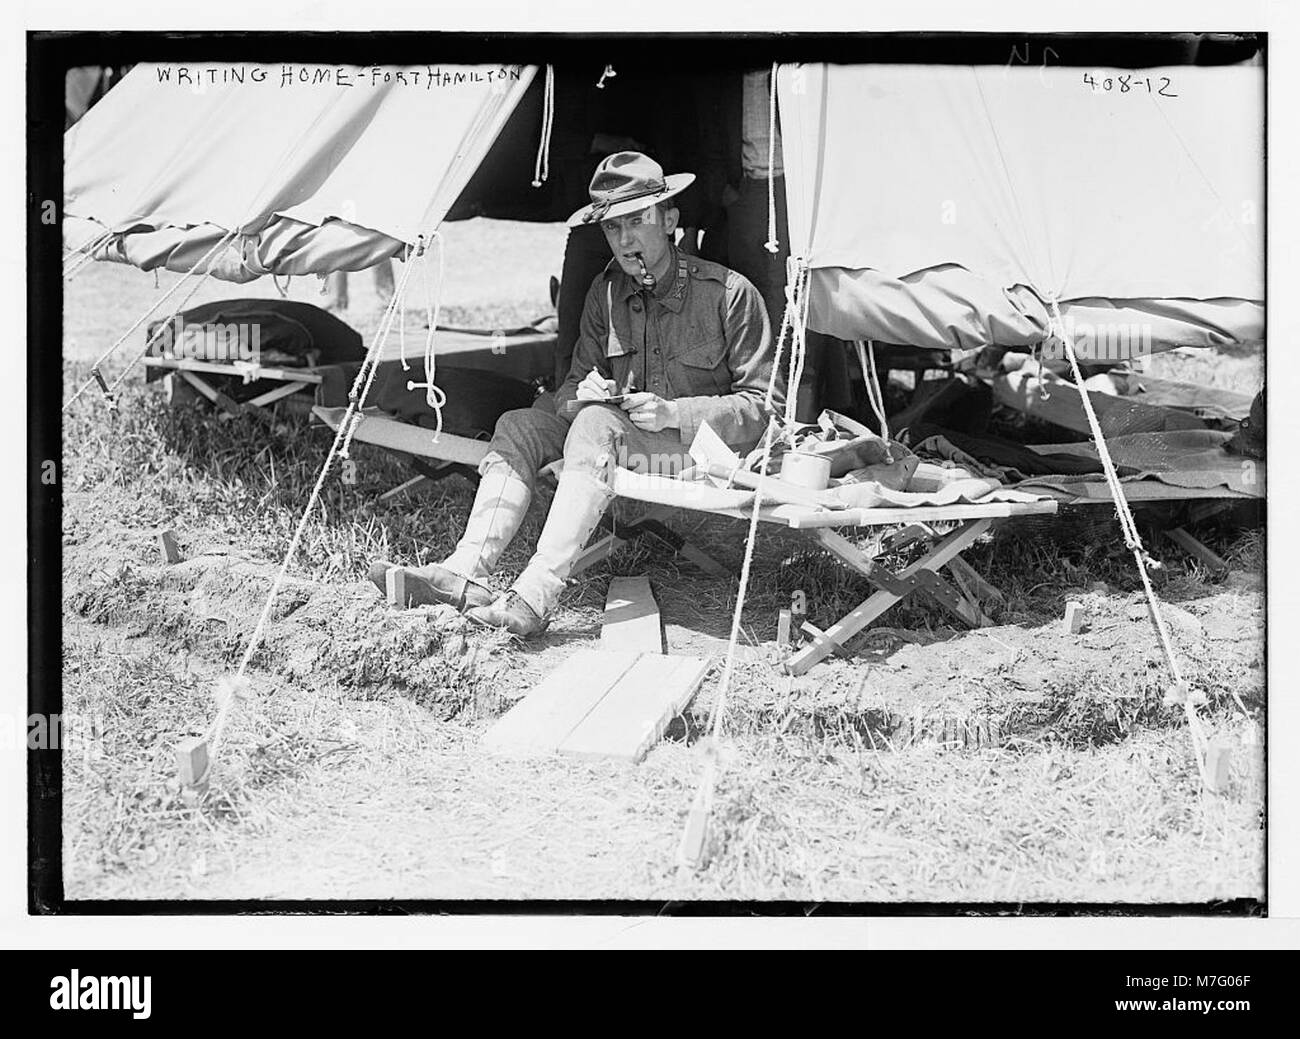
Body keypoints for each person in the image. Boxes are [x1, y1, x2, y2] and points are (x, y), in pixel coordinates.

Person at [369, 152, 781, 636]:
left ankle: (535, 595)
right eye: (611, 229)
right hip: (616, 446)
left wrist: (673, 412)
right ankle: (465, 574)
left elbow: (761, 408)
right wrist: (580, 394)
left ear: (670, 220)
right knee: (519, 425)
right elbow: (573, 388)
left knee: (595, 425)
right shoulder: (605, 294)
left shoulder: (729, 294)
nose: (625, 241)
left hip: (696, 458)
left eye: (637, 222)